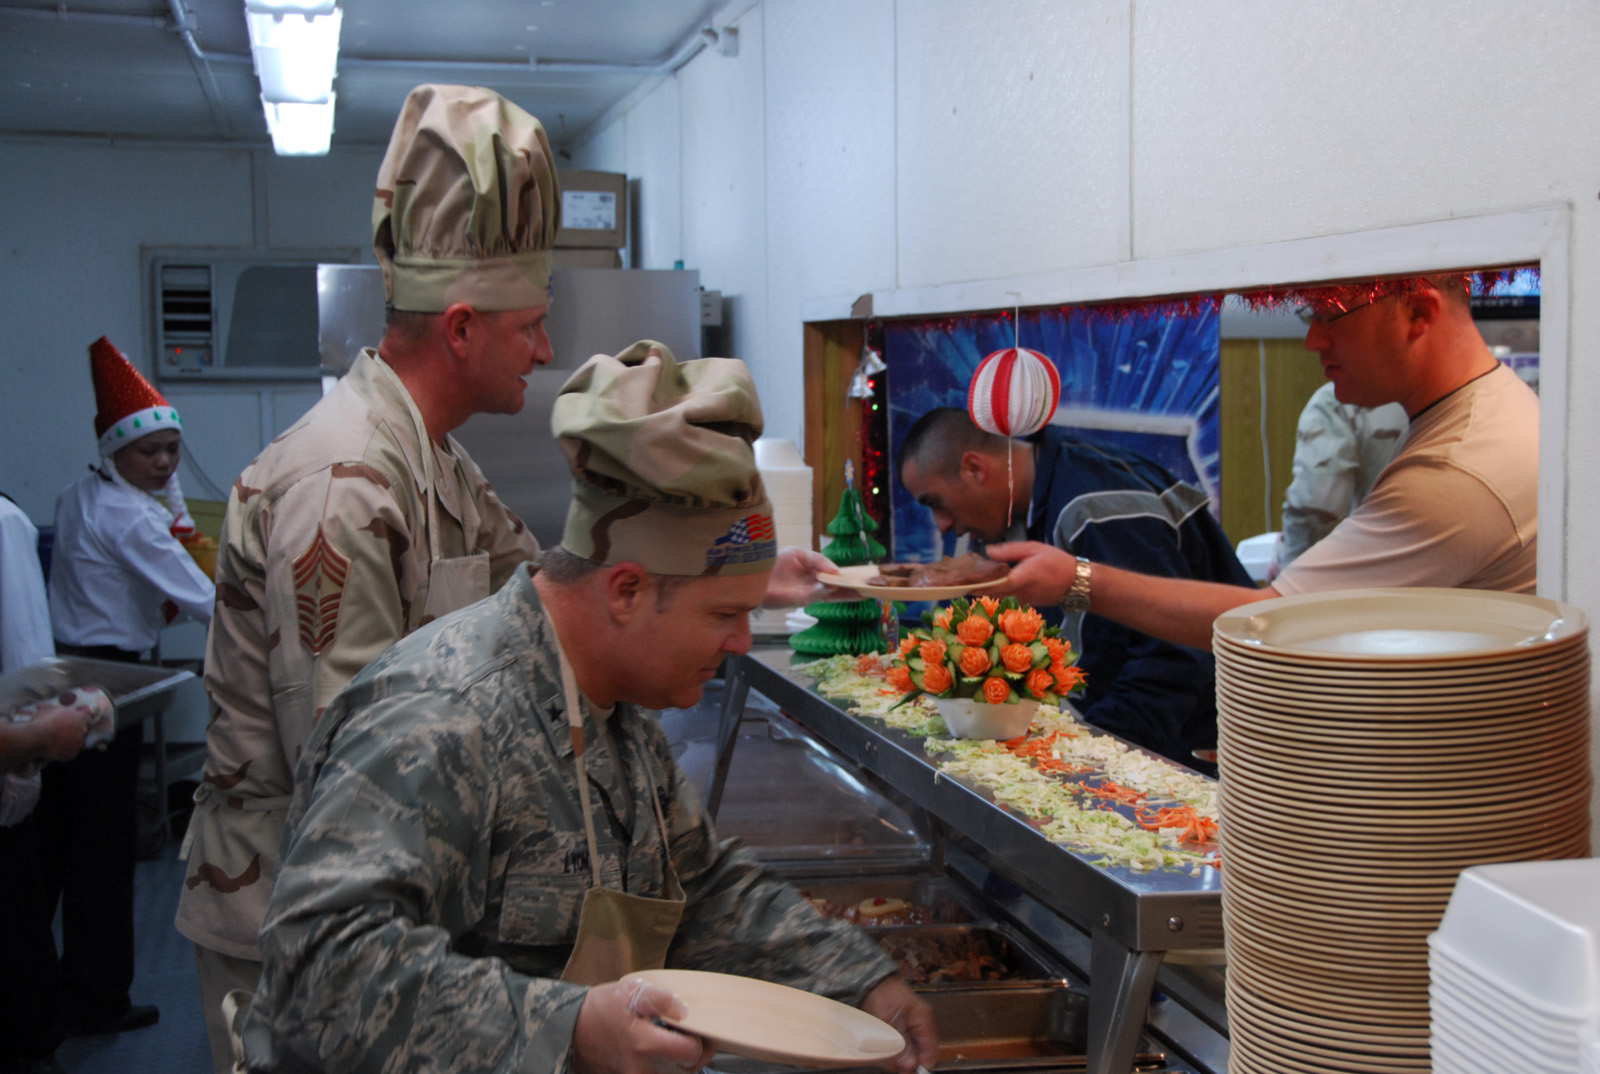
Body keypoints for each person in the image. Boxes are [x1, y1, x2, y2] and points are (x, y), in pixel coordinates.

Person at [177, 83, 844, 1073]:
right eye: (529, 324)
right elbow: (350, 776)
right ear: (459, 328)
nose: (543, 349)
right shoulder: (343, 488)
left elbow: (553, 593)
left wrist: (729, 571)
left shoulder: (436, 458)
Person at [242, 341, 937, 1074]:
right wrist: (567, 1026)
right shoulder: (442, 714)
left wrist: (856, 981)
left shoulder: (616, 710)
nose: (740, 642)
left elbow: (698, 888)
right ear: (627, 591)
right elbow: (319, 969)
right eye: (723, 614)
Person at [990, 275, 1537, 649]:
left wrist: (1077, 578)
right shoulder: (1485, 409)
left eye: (1329, 315)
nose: (1311, 341)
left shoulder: (1454, 474)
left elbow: (1268, 620)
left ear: (1418, 312)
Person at [34, 337, 216, 1042]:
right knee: (102, 846)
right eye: (151, 454)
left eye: (171, 449)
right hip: (110, 682)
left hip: (66, 671)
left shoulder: (82, 495)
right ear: (117, 452)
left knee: (61, 838)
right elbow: (203, 599)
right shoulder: (130, 517)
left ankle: (47, 987)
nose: (165, 462)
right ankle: (97, 997)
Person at [897, 408, 1253, 766]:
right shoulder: (1044, 489)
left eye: (934, 503)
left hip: (1206, 749)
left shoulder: (1093, 506)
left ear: (975, 468)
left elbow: (1173, 659)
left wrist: (1088, 756)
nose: (940, 525)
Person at [1267, 382, 1407, 578]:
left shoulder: (1339, 400)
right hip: (1447, 589)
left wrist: (1287, 568)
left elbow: (1317, 509)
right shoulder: (1451, 398)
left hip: (1364, 583)